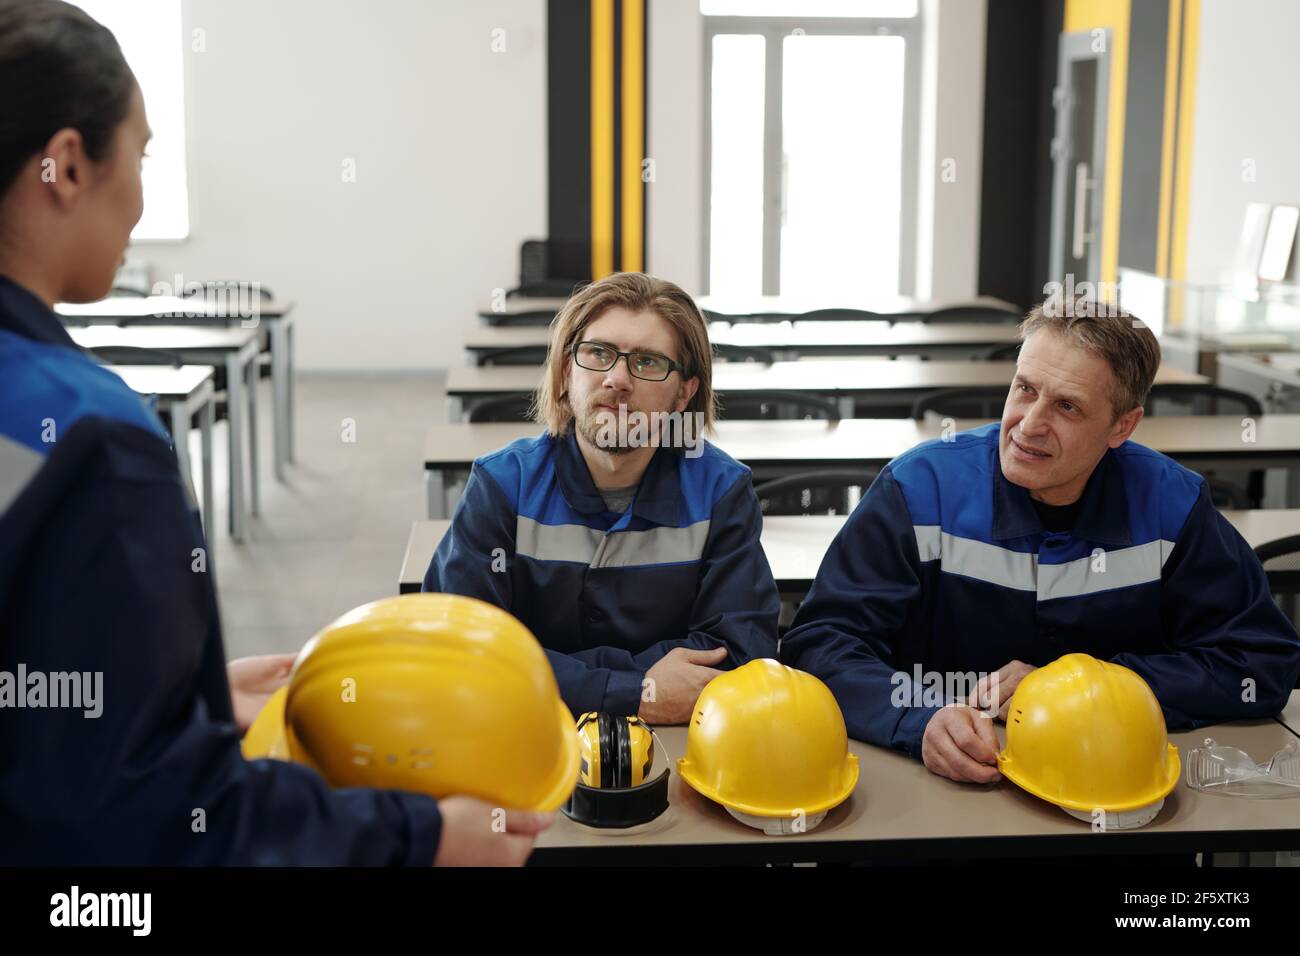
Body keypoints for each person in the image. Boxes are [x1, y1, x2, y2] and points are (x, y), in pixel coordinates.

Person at [0, 0, 549, 865]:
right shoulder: (93, 440)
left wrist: (160, 696)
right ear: (66, 166)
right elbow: (157, 824)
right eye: (140, 157)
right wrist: (422, 839)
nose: (142, 198)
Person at [782, 297, 1300, 784]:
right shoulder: (920, 488)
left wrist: (1088, 691)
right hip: (945, 792)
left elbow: (1260, 662)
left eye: (1067, 407)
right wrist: (916, 720)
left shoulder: (1173, 505)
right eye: (1025, 389)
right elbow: (822, 642)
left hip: (1109, 791)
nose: (1029, 426)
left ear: (1123, 425)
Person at [424, 272, 780, 723]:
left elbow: (739, 654)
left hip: (676, 750)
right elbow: (461, 651)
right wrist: (637, 690)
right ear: (567, 368)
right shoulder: (502, 485)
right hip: (522, 735)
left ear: (683, 394)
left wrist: (549, 670)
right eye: (598, 353)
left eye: (648, 362)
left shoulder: (720, 492)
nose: (617, 379)